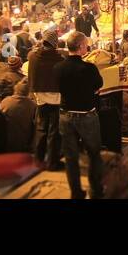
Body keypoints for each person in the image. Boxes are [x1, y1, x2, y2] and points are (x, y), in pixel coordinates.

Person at [55, 31, 104, 199]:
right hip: (86, 116)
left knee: (70, 157)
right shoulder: (89, 68)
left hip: (65, 115)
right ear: (81, 46)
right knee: (94, 154)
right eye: (86, 44)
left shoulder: (58, 68)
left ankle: (76, 193)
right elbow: (99, 86)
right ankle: (96, 191)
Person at [28, 30, 64, 170]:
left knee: (41, 129)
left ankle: (38, 160)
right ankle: (52, 162)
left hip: (40, 98)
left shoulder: (33, 57)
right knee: (54, 131)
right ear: (54, 43)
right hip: (56, 99)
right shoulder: (59, 59)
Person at [0, 80, 37, 153]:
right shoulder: (32, 105)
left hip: (7, 142)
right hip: (24, 143)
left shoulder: (5, 101)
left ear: (15, 89)